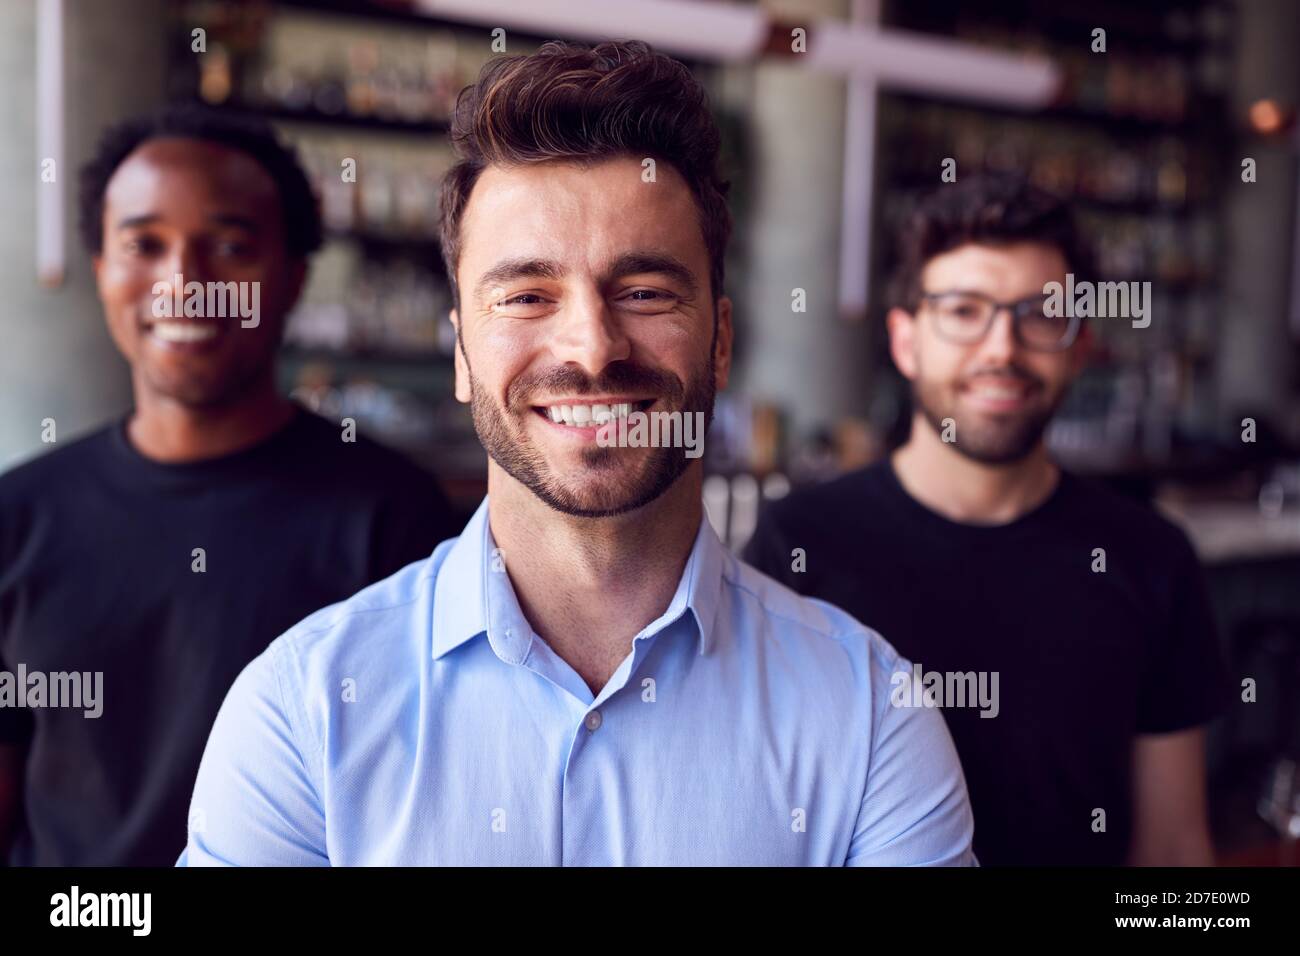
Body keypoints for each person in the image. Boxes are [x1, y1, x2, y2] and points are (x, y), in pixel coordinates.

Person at [177, 41, 975, 866]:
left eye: (644, 292)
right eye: (527, 295)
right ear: (461, 356)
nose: (592, 349)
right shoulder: (302, 710)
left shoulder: (870, 710)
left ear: (722, 341)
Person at [0, 106, 460, 866]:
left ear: (293, 279)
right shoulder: (18, 519)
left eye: (231, 245)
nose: (185, 282)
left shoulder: (389, 515)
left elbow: (416, 810)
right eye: (144, 244)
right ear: (101, 272)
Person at [745, 174, 1232, 866]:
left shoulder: (1150, 556)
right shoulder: (799, 544)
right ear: (906, 340)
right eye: (964, 310)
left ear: (1082, 343)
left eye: (1040, 313)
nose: (1002, 348)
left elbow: (1176, 848)